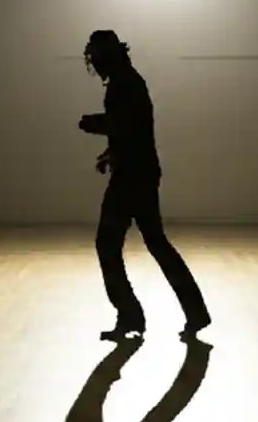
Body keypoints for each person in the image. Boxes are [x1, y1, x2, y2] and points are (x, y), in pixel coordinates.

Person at [77, 30, 211, 341]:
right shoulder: (128, 80)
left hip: (131, 178)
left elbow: (125, 125)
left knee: (108, 245)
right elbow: (133, 130)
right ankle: (194, 313)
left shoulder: (124, 84)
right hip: (139, 173)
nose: (92, 64)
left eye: (94, 57)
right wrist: (111, 151)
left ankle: (131, 316)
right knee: (156, 244)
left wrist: (94, 124)